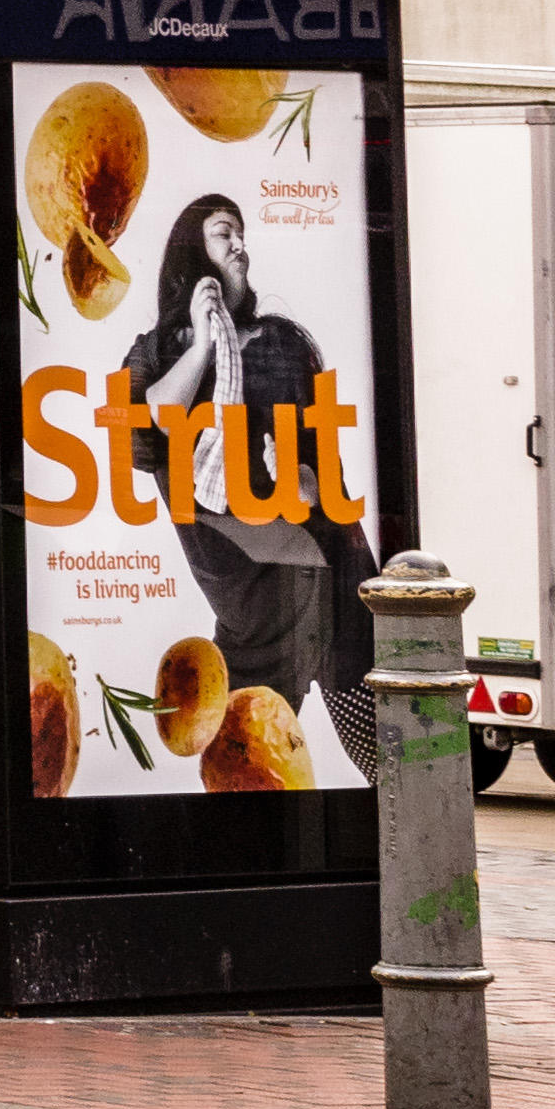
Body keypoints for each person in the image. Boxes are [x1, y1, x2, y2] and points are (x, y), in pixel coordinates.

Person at [120, 196, 383, 776]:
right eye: (224, 233)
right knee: (242, 774)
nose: (240, 244)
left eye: (241, 233)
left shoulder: (283, 341)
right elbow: (148, 429)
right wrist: (203, 345)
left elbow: (325, 466)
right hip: (250, 599)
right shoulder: (155, 353)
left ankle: (394, 836)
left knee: (385, 760)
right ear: (192, 252)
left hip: (330, 575)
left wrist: (304, 480)